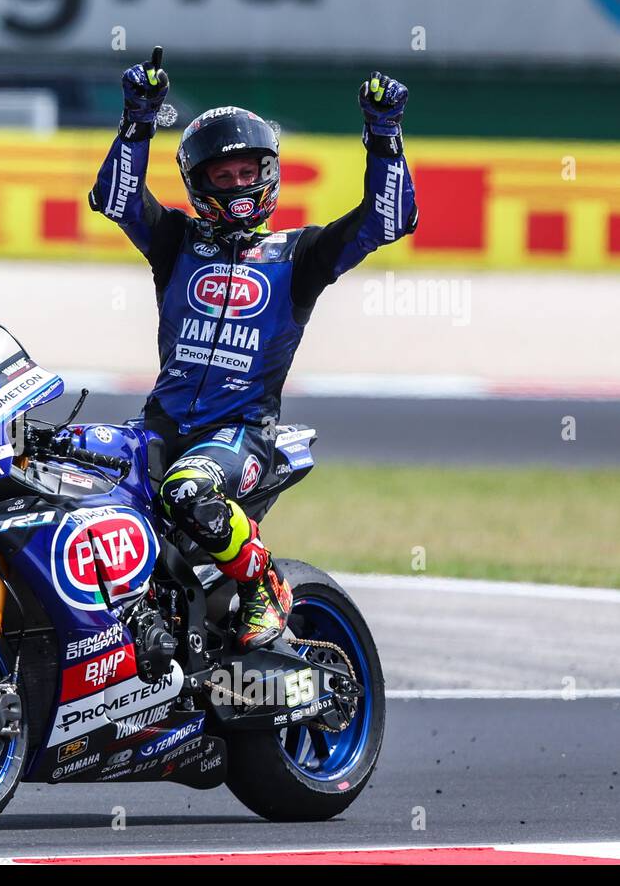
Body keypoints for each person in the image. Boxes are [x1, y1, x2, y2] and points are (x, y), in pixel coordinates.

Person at [89, 56, 418, 652]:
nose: (239, 185)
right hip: (158, 425)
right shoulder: (175, 240)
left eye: (249, 171)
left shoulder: (301, 255)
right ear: (197, 182)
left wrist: (385, 136)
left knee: (188, 490)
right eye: (224, 175)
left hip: (240, 434)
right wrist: (138, 120)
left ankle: (266, 583)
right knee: (72, 488)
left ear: (270, 175)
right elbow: (114, 199)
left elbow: (387, 220)